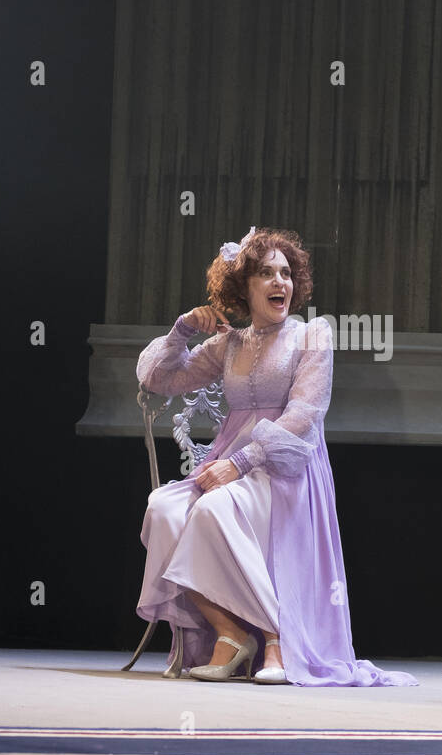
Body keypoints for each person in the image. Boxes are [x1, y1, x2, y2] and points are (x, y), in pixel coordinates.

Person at [134, 227, 416, 687]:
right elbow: (159, 379)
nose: (279, 282)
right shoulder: (229, 343)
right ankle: (230, 634)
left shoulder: (312, 336)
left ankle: (276, 640)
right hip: (231, 463)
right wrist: (183, 329)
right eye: (265, 273)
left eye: (286, 273)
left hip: (285, 468)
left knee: (212, 510)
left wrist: (240, 464)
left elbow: (306, 412)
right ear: (243, 287)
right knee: (164, 510)